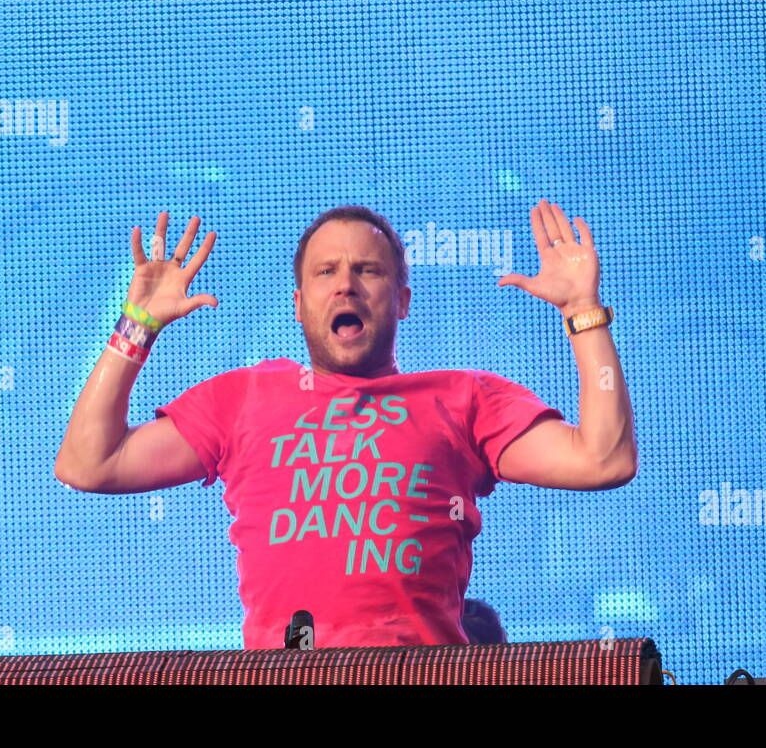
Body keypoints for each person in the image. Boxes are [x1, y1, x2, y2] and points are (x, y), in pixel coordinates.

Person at [54, 201, 636, 649]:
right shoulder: (243, 397)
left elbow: (603, 459)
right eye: (326, 271)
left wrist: (584, 313)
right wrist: (136, 325)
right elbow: (88, 462)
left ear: (403, 300)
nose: (345, 284)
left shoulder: (463, 398)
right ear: (300, 303)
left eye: (368, 270)